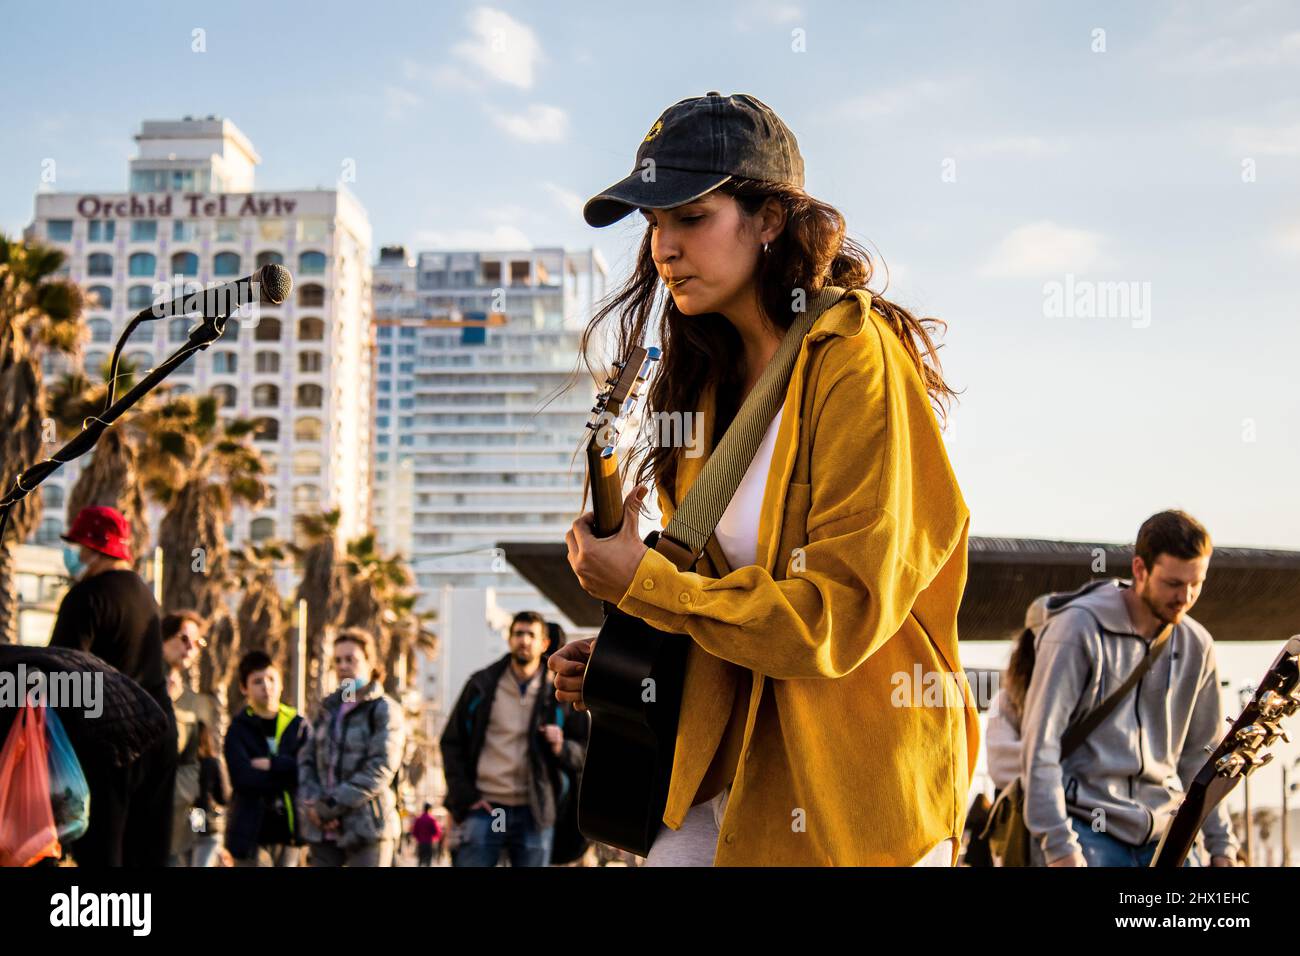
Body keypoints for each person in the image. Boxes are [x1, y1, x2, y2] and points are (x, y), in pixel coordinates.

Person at [553, 92, 976, 866]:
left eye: (691, 217)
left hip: (848, 801)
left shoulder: (856, 360)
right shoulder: (704, 381)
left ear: (771, 219)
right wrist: (626, 653)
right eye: (654, 226)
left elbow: (837, 619)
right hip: (719, 772)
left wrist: (650, 589)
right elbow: (719, 597)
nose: (663, 250)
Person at [1019, 510, 1239, 867]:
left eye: (1196, 583)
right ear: (1140, 570)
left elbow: (1202, 758)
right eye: (1172, 583)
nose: (1185, 596)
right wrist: (1059, 846)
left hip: (1166, 834)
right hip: (1086, 831)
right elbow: (1039, 745)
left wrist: (1221, 846)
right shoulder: (1076, 630)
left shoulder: (1198, 644)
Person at [48, 505, 177, 867]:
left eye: (79, 546)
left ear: (92, 547)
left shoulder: (86, 597)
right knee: (149, 849)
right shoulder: (145, 595)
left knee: (102, 850)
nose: (76, 555)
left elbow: (60, 669)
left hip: (110, 738)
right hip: (159, 728)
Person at [440, 611, 587, 867]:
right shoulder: (481, 685)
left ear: (544, 644)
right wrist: (466, 798)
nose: (524, 640)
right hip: (486, 808)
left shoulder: (560, 692)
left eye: (531, 635)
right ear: (509, 639)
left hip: (535, 811)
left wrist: (561, 747)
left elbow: (585, 751)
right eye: (519, 633)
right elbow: (451, 742)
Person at [298, 628, 405, 867]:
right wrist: (315, 805)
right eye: (337, 660)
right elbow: (306, 760)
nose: (343, 666)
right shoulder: (326, 710)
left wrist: (333, 806)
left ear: (369, 662)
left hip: (367, 830)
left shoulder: (384, 709)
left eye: (350, 659)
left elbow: (381, 767)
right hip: (322, 832)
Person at [225, 650, 308, 867]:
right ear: (245, 688)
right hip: (250, 835)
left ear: (281, 682)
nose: (266, 686)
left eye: (271, 679)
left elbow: (306, 771)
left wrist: (271, 765)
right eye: (257, 681)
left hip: (291, 834)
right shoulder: (237, 729)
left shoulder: (298, 725)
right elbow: (243, 778)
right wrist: (286, 772)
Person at [161, 610, 219, 866]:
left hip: (176, 823)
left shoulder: (196, 703)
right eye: (184, 638)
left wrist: (175, 795)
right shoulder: (136, 686)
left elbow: (198, 760)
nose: (191, 648)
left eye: (198, 643)